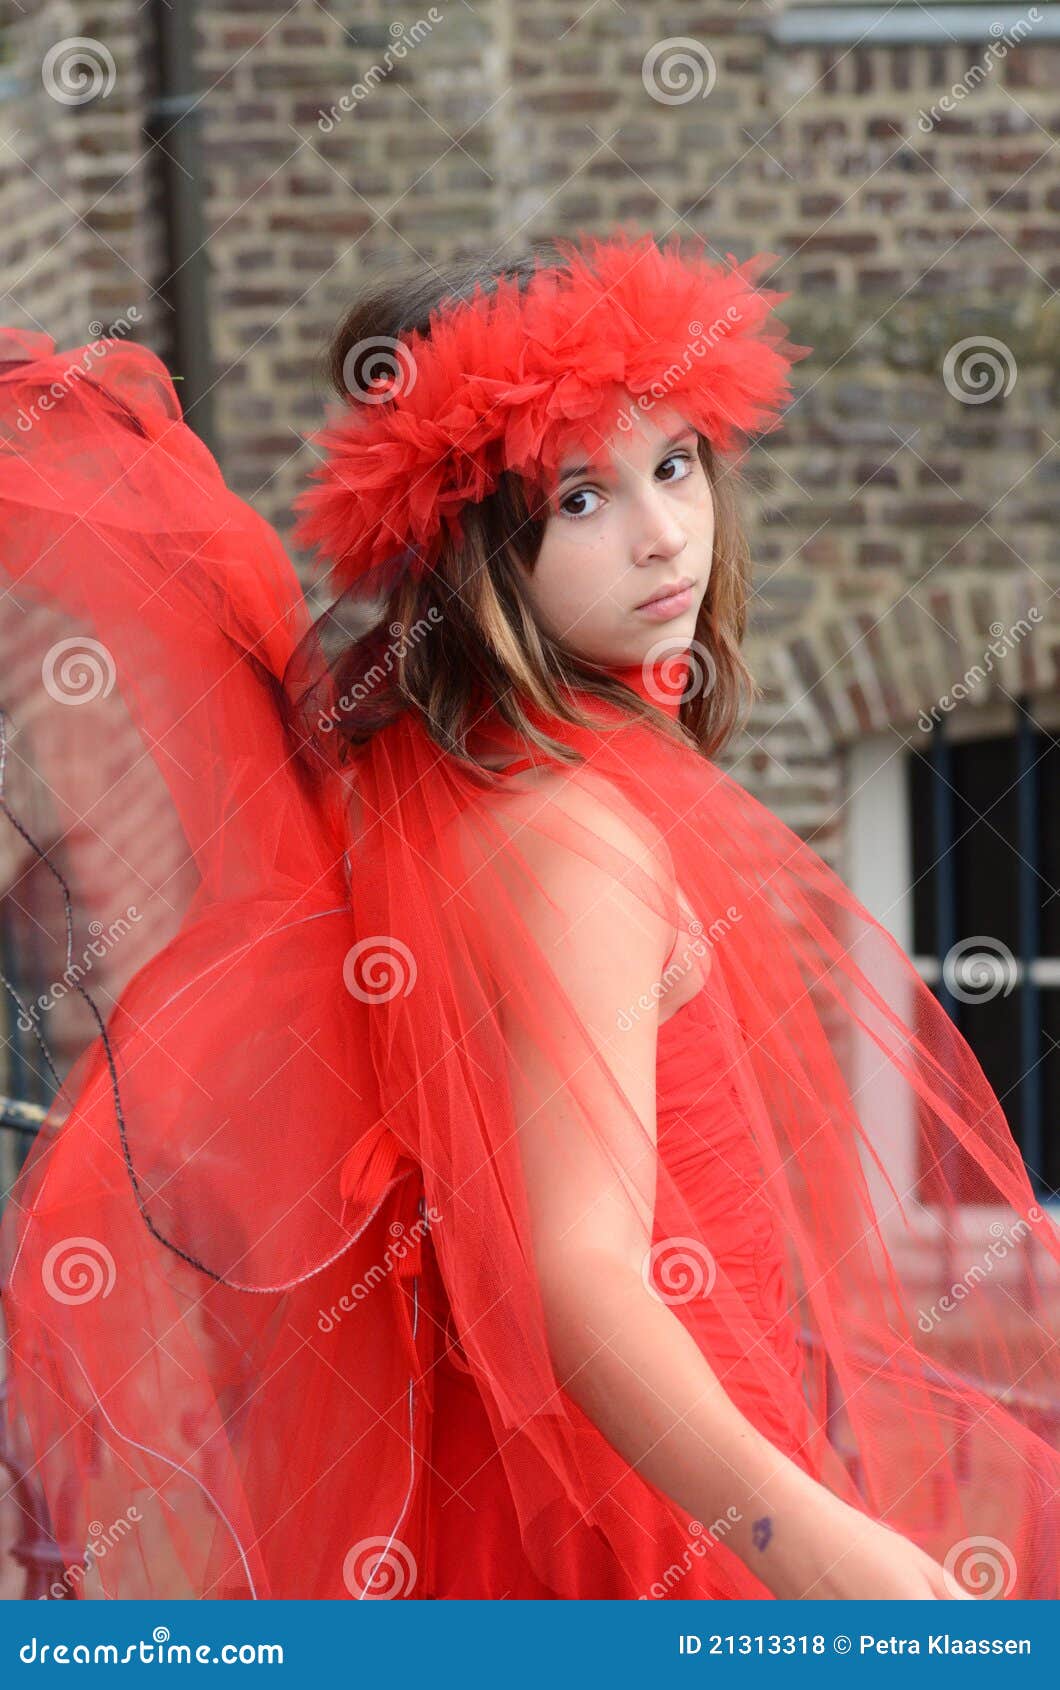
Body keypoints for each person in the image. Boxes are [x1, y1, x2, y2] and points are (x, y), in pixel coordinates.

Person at [0, 228, 1056, 1602]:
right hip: (642, 1516)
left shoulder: (458, 771)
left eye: (673, 465)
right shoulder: (578, 844)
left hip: (578, 1467)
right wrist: (819, 1543)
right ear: (471, 547)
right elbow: (585, 1279)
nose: (663, 531)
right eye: (578, 499)